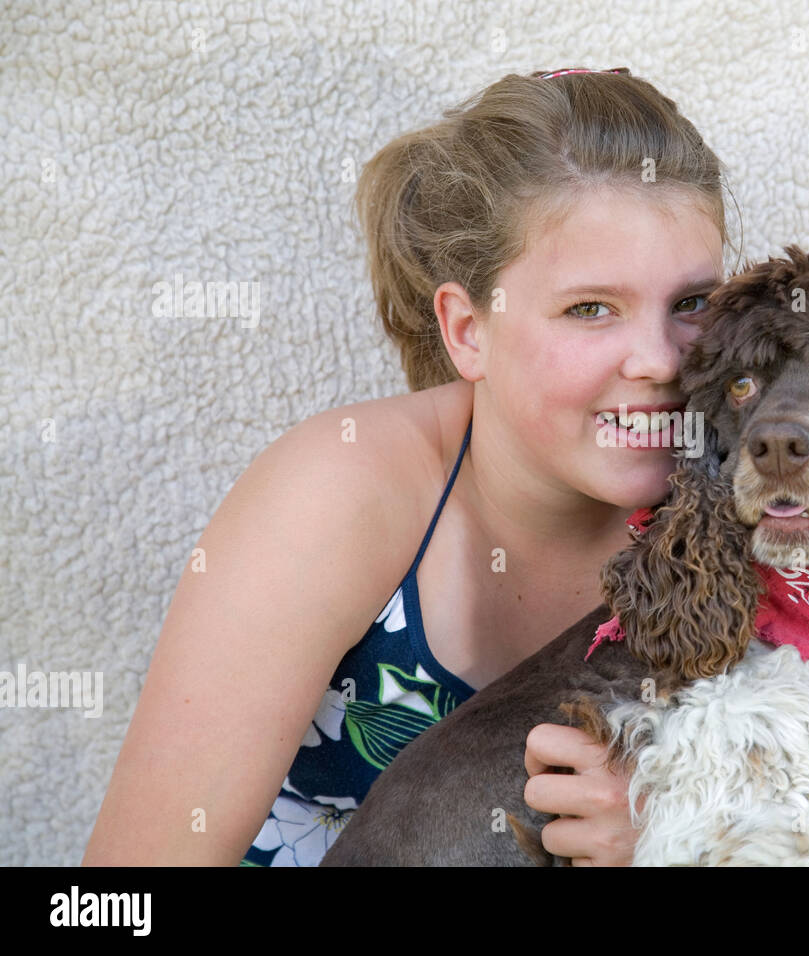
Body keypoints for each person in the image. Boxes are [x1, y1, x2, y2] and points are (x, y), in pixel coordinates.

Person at [81, 67, 737, 866]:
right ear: (467, 329)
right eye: (590, 309)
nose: (659, 361)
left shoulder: (760, 504)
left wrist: (693, 837)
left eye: (694, 304)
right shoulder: (338, 495)